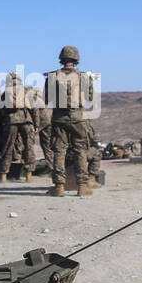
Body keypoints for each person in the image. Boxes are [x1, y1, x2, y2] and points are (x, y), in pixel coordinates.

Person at [44, 45, 96, 197]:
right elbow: (89, 98)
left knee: (59, 152)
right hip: (78, 119)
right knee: (81, 151)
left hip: (59, 119)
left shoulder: (52, 76)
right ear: (76, 59)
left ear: (62, 59)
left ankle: (59, 187)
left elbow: (47, 99)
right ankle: (82, 186)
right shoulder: (84, 77)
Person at [0, 71, 37, 182]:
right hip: (26, 120)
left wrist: (2, 121)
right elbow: (34, 109)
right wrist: (36, 124)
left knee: (7, 147)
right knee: (29, 147)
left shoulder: (5, 93)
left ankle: (3, 175)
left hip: (11, 121)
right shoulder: (26, 91)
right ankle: (29, 174)